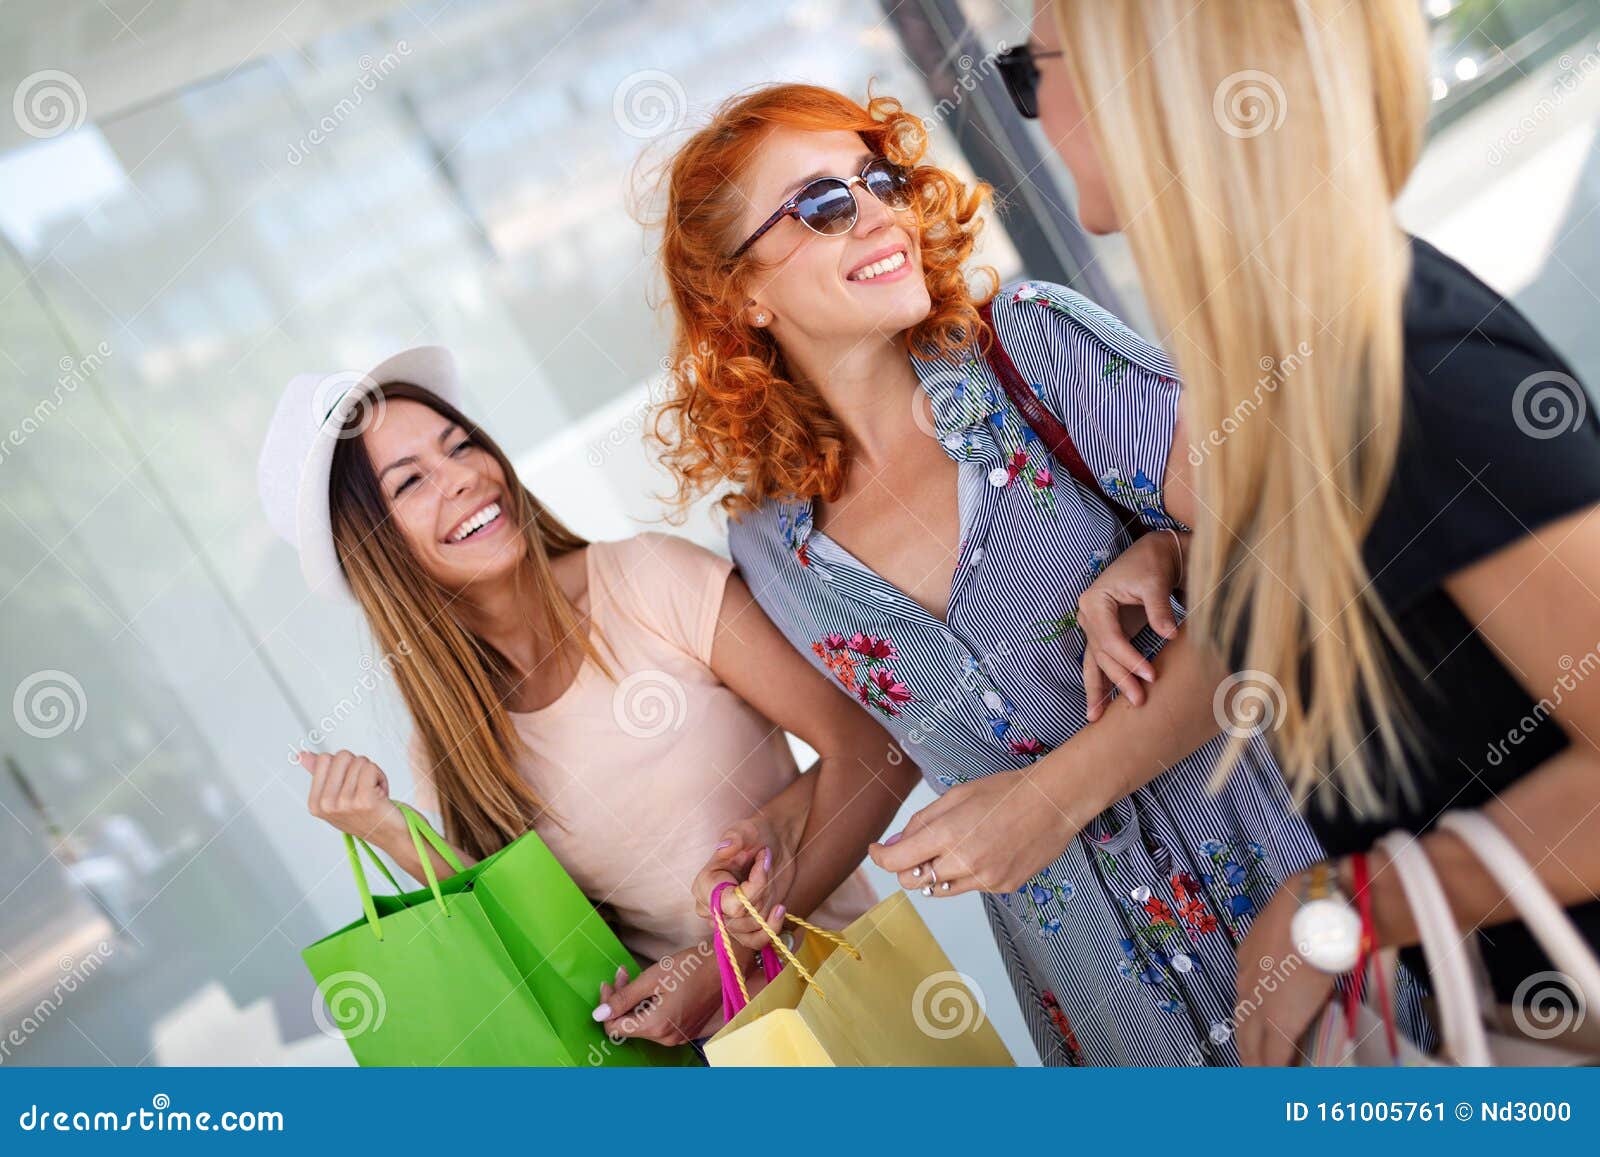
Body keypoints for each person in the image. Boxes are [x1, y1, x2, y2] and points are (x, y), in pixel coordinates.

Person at [655, 83, 1422, 1065]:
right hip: (1110, 1013)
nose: (879, 211)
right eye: (823, 203)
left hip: (1296, 892)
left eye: (880, 179)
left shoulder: (1030, 347)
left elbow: (1289, 537)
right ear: (740, 295)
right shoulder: (770, 547)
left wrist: (1172, 555)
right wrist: (750, 889)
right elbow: (887, 747)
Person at [1024, 0, 1600, 1061]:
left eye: (1034, 70)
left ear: (1138, 85)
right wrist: (1187, 554)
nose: (1034, 108)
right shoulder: (1294, 360)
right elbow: (1412, 571)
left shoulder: (1408, 367)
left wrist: (1337, 906)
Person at [256, 347, 910, 1047]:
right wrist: (391, 830)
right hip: (703, 1064)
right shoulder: (449, 742)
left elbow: (878, 747)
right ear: (376, 551)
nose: (464, 477)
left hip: (856, 1012)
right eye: (411, 480)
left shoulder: (647, 579)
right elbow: (539, 949)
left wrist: (727, 954)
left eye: (460, 445)